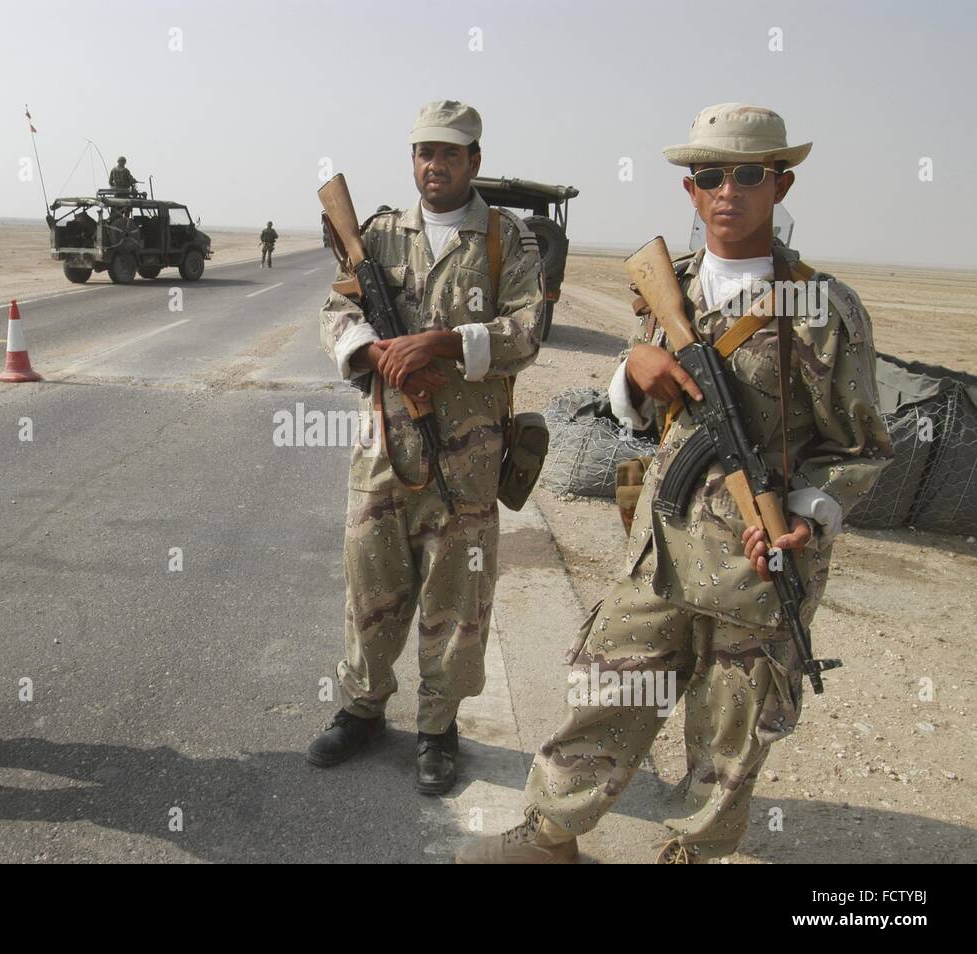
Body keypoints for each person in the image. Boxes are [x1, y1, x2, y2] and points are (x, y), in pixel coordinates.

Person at [457, 103, 893, 863]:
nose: (728, 191)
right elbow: (634, 416)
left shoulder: (823, 310)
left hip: (759, 565)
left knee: (730, 729)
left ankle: (695, 850)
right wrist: (633, 370)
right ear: (691, 194)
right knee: (607, 693)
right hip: (659, 546)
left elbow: (859, 446)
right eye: (709, 176)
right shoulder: (672, 289)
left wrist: (808, 515)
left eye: (748, 174)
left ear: (781, 184)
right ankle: (552, 835)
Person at [312, 100, 547, 794]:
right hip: (383, 453)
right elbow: (337, 311)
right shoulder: (378, 234)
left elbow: (528, 332)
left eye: (448, 154)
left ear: (475, 161)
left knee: (456, 597)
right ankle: (362, 709)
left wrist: (444, 343)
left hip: (466, 463)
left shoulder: (508, 241)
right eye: (423, 153)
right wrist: (371, 347)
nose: (433, 165)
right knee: (371, 588)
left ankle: (438, 729)